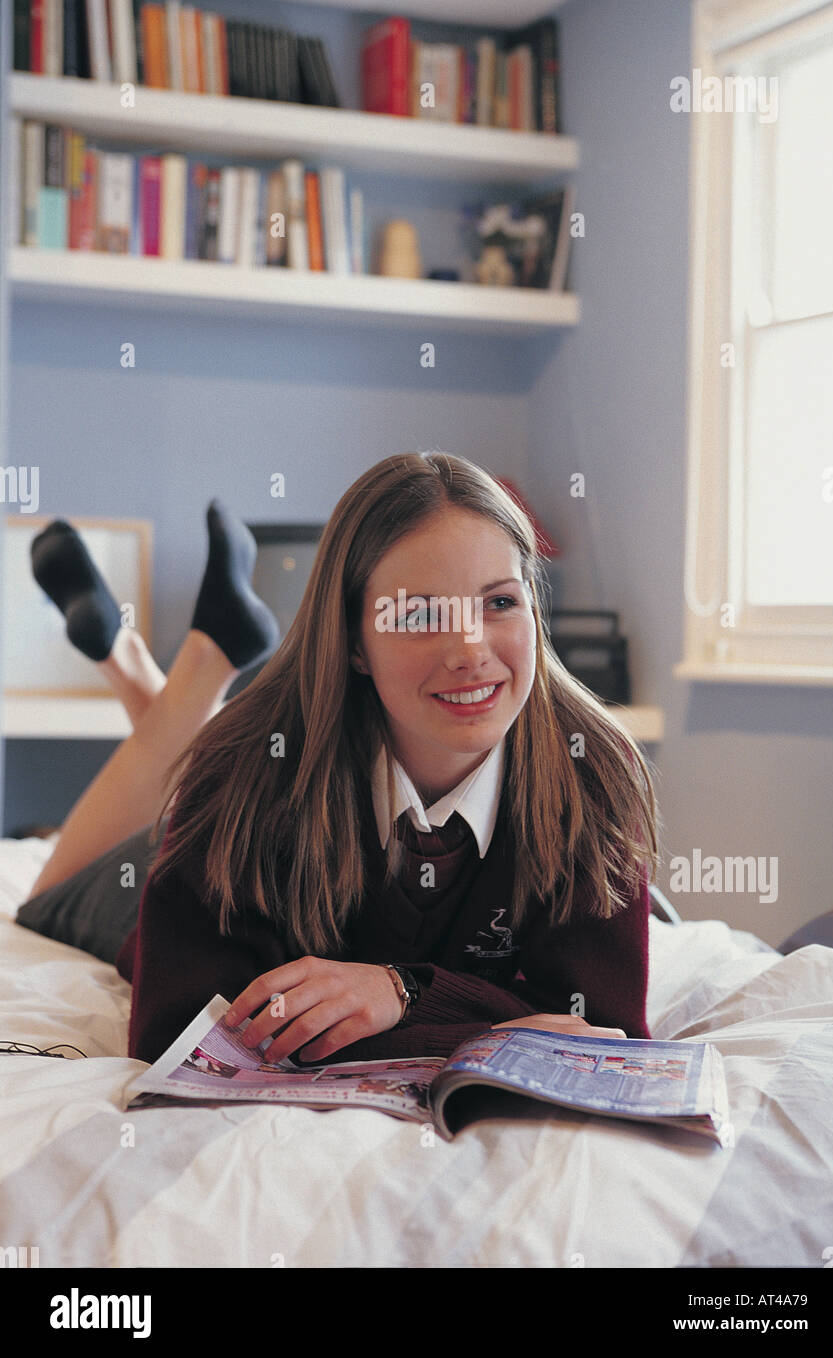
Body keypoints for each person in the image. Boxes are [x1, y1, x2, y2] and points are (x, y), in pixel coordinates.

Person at [19, 452, 659, 1068]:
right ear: (353, 642)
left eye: (499, 602)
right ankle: (163, 669)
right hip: (172, 855)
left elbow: (600, 1032)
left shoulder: (594, 771)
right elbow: (178, 1030)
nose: (471, 650)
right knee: (42, 901)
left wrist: (399, 993)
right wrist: (493, 1019)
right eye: (419, 614)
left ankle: (151, 669)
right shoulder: (244, 779)